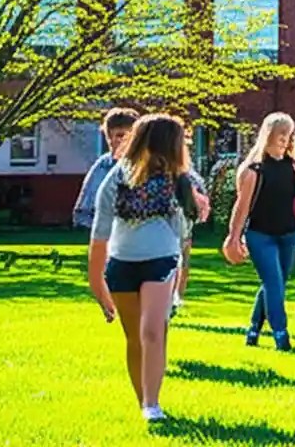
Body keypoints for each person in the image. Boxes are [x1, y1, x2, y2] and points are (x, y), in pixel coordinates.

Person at [87, 113, 207, 422]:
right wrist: (96, 283)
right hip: (121, 263)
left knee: (152, 330)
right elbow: (99, 235)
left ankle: (152, 405)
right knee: (134, 338)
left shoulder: (181, 180)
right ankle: (143, 400)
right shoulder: (116, 179)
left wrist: (194, 206)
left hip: (161, 260)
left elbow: (186, 227)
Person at [222, 112, 295, 352]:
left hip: (287, 234)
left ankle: (253, 328)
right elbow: (241, 208)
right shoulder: (254, 170)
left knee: (277, 282)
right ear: (268, 135)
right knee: (274, 283)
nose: (285, 139)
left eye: (289, 134)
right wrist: (233, 237)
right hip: (260, 236)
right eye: (280, 133)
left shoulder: (294, 167)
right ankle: (281, 334)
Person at [73, 107, 140, 230]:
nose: (124, 141)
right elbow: (82, 212)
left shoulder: (146, 167)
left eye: (130, 136)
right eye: (119, 135)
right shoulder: (102, 167)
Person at [172, 128, 211, 318]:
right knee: (174, 260)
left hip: (184, 222)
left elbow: (199, 191)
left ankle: (176, 296)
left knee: (182, 260)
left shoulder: (188, 172)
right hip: (170, 223)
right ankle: (171, 297)